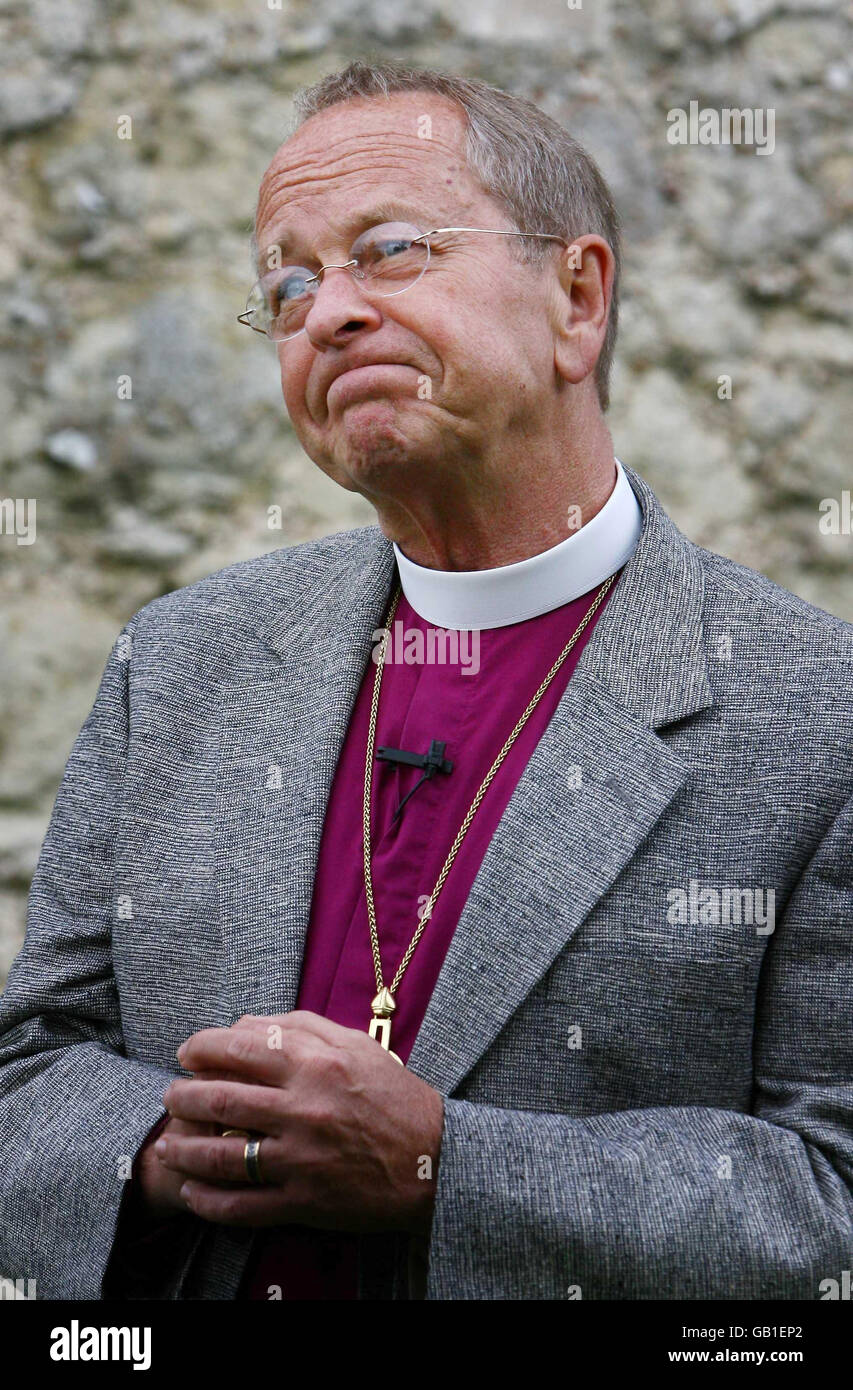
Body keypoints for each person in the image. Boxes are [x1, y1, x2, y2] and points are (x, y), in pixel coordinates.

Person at [0, 60, 851, 1301]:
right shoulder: (178, 661)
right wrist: (161, 1146)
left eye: (389, 250)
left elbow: (829, 1194)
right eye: (285, 286)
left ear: (576, 296)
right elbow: (31, 1067)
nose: (327, 311)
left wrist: (443, 1167)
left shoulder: (816, 709)